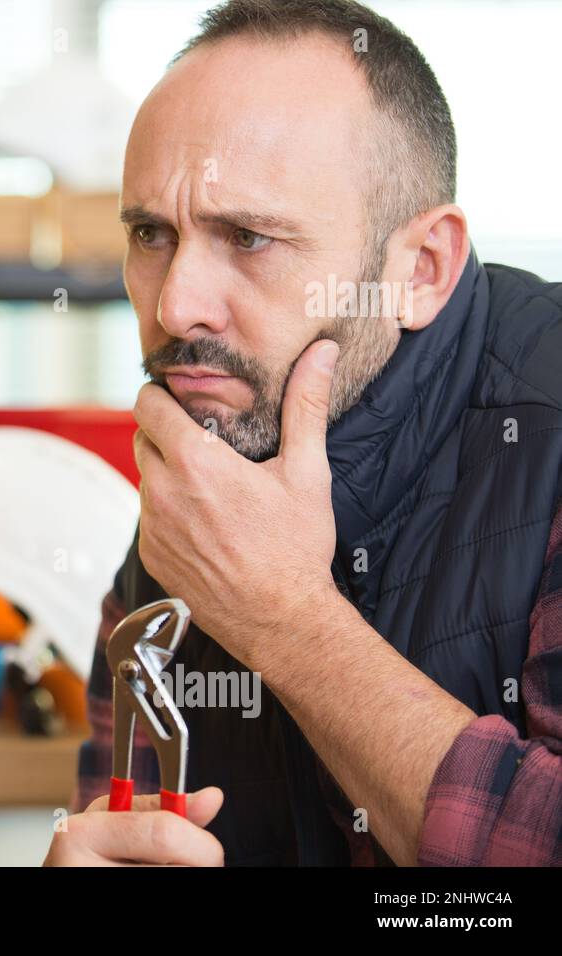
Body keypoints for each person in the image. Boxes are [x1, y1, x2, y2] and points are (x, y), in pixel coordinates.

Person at [44, 0, 562, 866]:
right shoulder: (215, 461)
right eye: (150, 234)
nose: (174, 306)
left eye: (248, 236)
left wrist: (289, 621)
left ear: (421, 269)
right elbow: (115, 798)